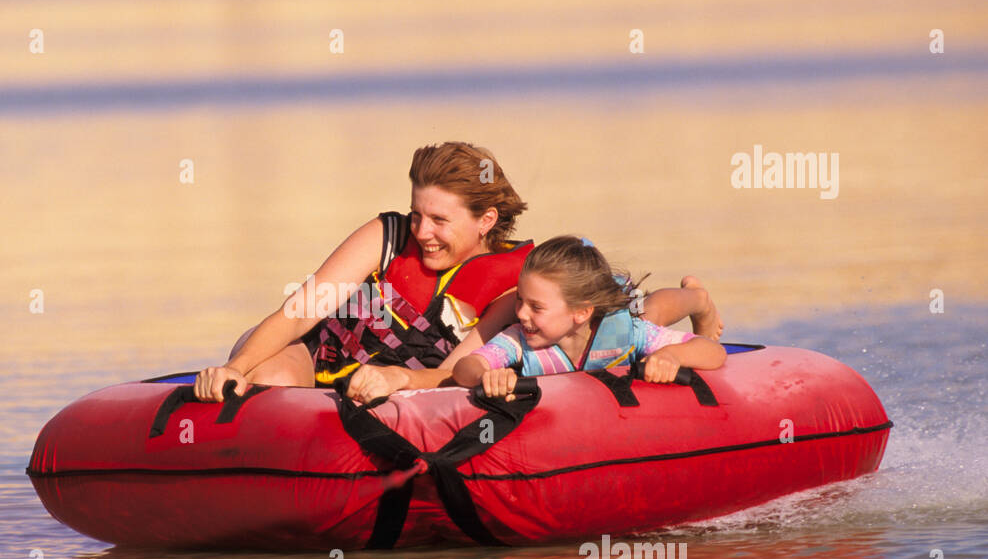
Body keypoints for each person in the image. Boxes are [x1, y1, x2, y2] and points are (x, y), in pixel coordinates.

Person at [195, 142, 723, 405]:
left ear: (485, 221)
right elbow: (296, 314)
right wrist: (238, 367)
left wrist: (400, 380)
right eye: (417, 213)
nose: (421, 231)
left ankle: (697, 300)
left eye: (440, 220)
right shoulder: (385, 235)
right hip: (325, 358)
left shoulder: (515, 280)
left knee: (632, 312)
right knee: (264, 382)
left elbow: (457, 370)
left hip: (414, 377)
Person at [453, 235, 726, 401]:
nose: (522, 314)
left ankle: (696, 297)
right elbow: (465, 367)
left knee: (647, 312)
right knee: (646, 312)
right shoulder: (516, 339)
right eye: (520, 301)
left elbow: (713, 352)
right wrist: (486, 376)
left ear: (582, 312)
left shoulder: (629, 333)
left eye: (536, 307)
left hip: (624, 315)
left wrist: (673, 357)